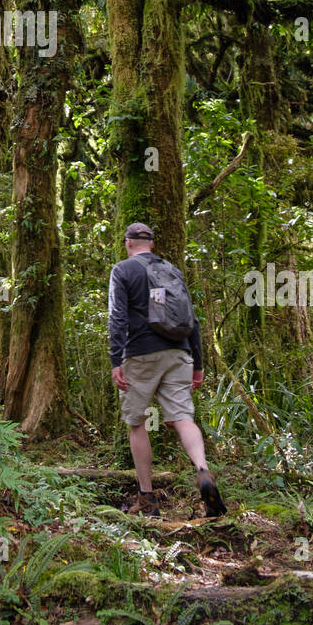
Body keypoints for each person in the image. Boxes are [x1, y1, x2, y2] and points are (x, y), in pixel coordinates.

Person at [108, 222, 227, 518]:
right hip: (179, 352)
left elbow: (117, 317)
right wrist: (198, 364)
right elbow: (192, 319)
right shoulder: (171, 270)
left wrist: (116, 360)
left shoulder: (122, 270)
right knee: (182, 416)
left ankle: (147, 498)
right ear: (151, 244)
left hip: (140, 355)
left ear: (127, 243)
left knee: (137, 423)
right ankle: (202, 469)